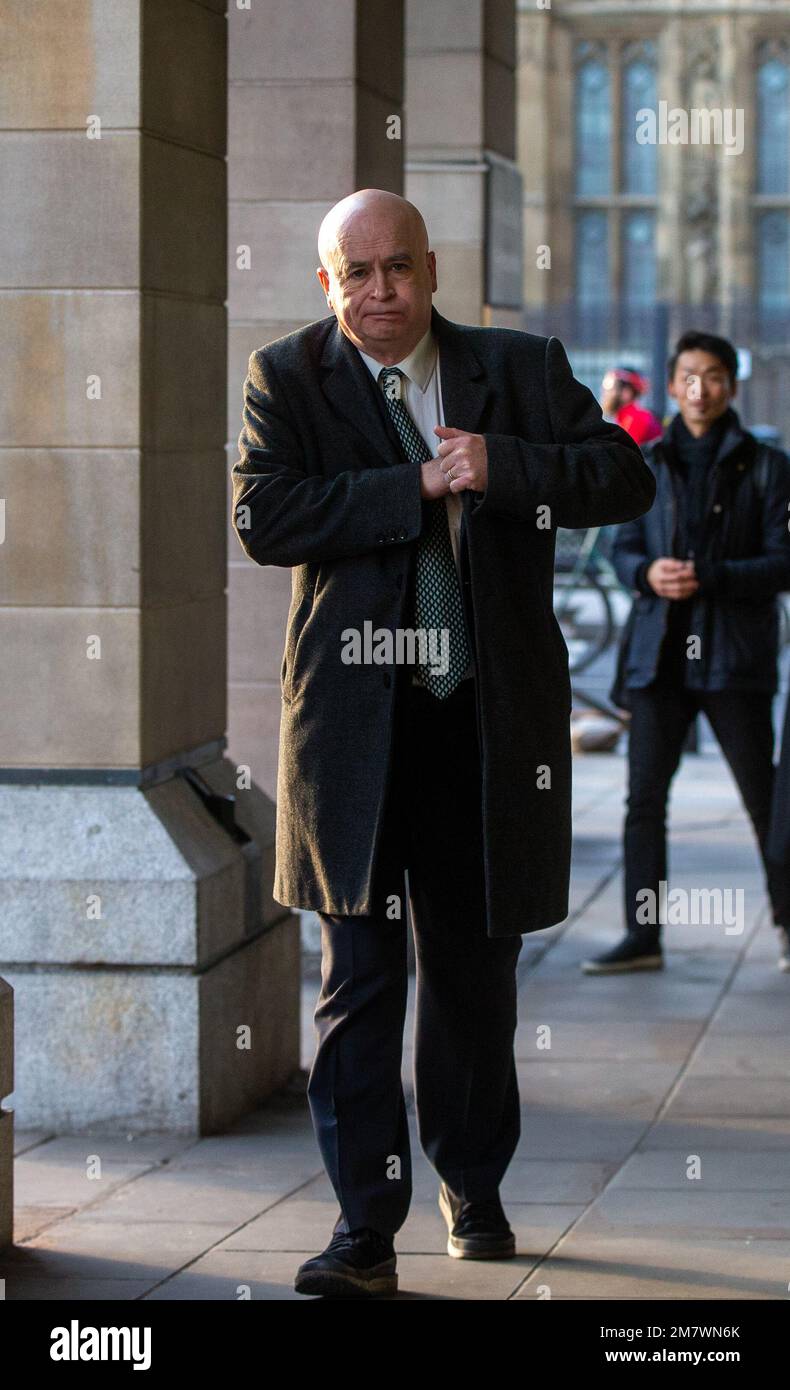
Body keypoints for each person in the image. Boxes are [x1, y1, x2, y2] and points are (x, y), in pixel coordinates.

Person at [231, 188, 654, 1297]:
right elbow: (265, 517)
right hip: (354, 739)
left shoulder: (516, 368)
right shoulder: (286, 376)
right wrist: (411, 481)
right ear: (327, 284)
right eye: (355, 274)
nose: (380, 294)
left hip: (484, 731)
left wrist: (499, 465)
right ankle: (362, 1228)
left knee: (474, 982)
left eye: (398, 269)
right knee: (360, 986)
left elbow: (622, 473)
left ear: (431, 267)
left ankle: (472, 1183)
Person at [584, 330, 790, 975]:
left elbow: (785, 561)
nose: (701, 389)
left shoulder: (766, 465)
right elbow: (622, 551)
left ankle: (787, 926)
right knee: (644, 803)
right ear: (672, 386)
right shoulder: (643, 460)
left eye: (715, 376)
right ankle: (641, 938)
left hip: (733, 658)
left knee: (767, 801)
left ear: (732, 384)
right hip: (659, 657)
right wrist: (647, 575)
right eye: (689, 377)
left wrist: (714, 575)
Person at [601, 365, 664, 446]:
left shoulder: (635, 419)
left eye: (610, 387)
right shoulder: (626, 418)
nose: (606, 393)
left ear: (627, 392)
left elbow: (622, 455)